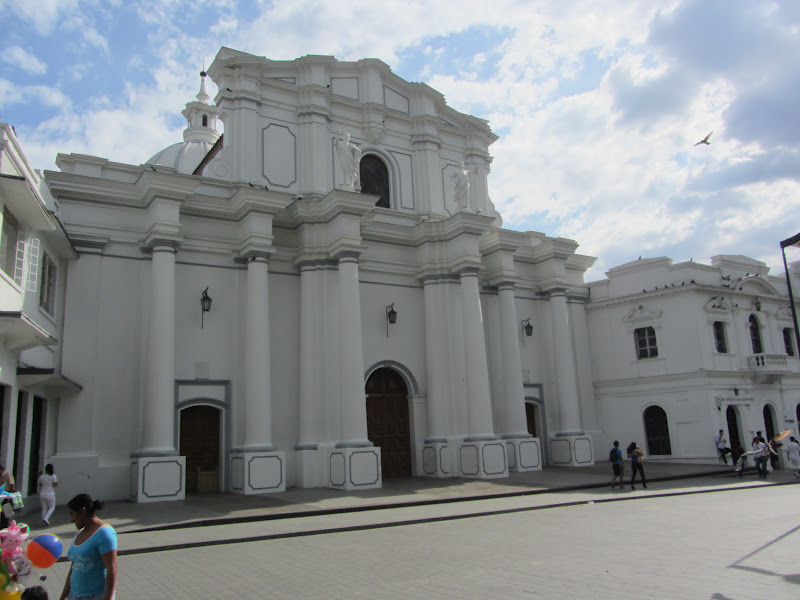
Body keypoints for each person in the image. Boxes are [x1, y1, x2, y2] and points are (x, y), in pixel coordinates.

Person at [60, 494, 117, 600]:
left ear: (82, 511)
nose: (71, 520)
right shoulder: (79, 533)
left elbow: (112, 569)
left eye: (72, 514)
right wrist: (64, 594)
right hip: (75, 595)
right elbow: (74, 566)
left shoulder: (105, 533)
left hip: (96, 595)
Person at [0, 464, 15, 529]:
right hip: (1, 495)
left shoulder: (7, 474)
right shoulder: (0, 476)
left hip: (7, 494)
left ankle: (5, 525)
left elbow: (11, 484)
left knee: (6, 511)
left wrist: (10, 493)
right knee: (2, 511)